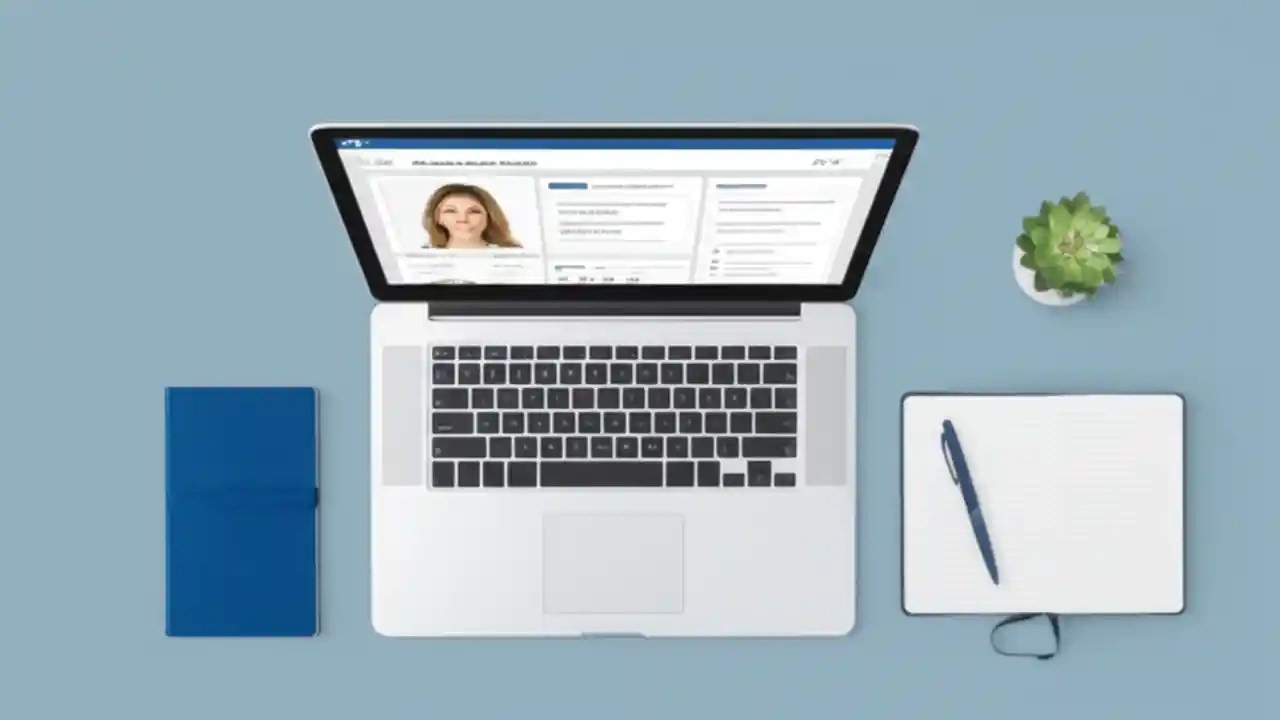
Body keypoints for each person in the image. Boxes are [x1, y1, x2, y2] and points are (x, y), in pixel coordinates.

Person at [421, 183, 522, 249]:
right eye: (451, 211)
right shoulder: (422, 259)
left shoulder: (513, 257)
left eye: (474, 212)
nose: (463, 219)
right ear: (437, 218)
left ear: (489, 217)